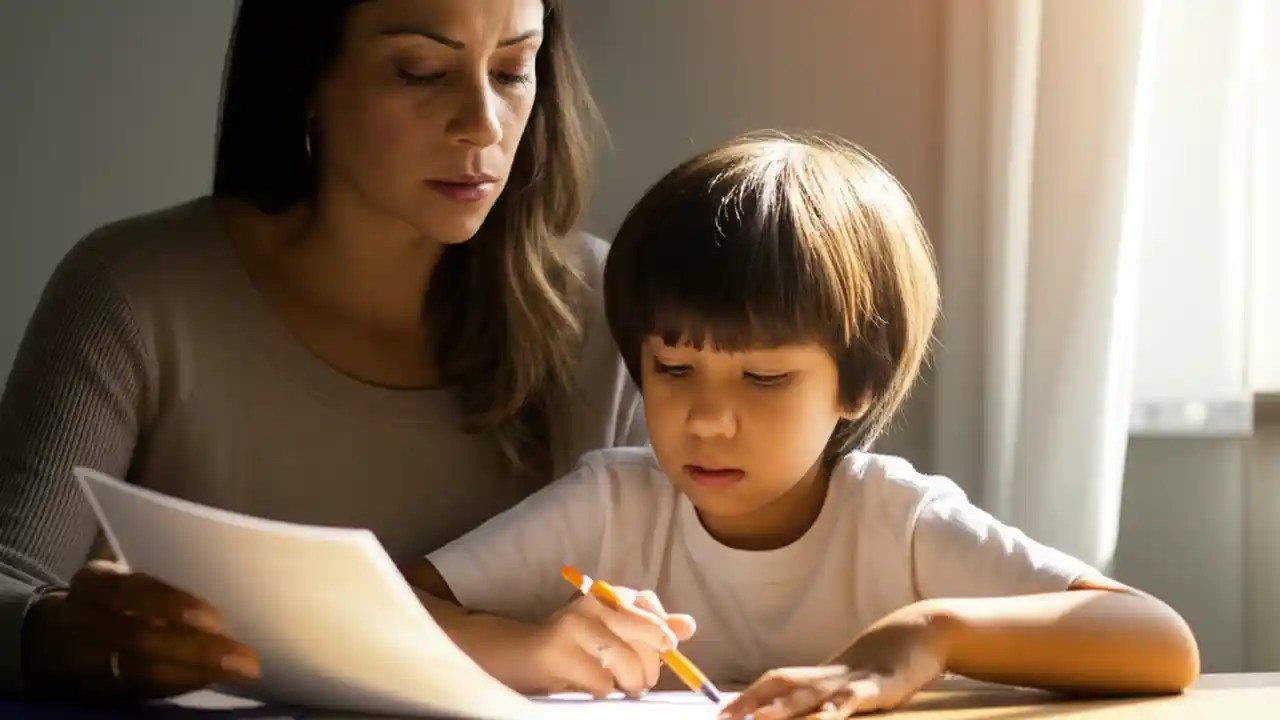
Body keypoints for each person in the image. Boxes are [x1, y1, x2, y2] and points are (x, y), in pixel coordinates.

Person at [408, 133, 1201, 718]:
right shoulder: (613, 503)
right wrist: (534, 649)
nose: (709, 419)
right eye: (674, 370)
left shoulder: (898, 522)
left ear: (858, 383)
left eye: (764, 378)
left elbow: (1159, 642)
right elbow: (393, 614)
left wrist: (928, 635)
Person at [0, 0, 644, 702]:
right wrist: (57, 634)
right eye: (422, 71)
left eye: (514, 71)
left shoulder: (611, 309)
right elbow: (11, 581)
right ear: (304, 79)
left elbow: (721, 593)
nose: (484, 123)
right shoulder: (136, 293)